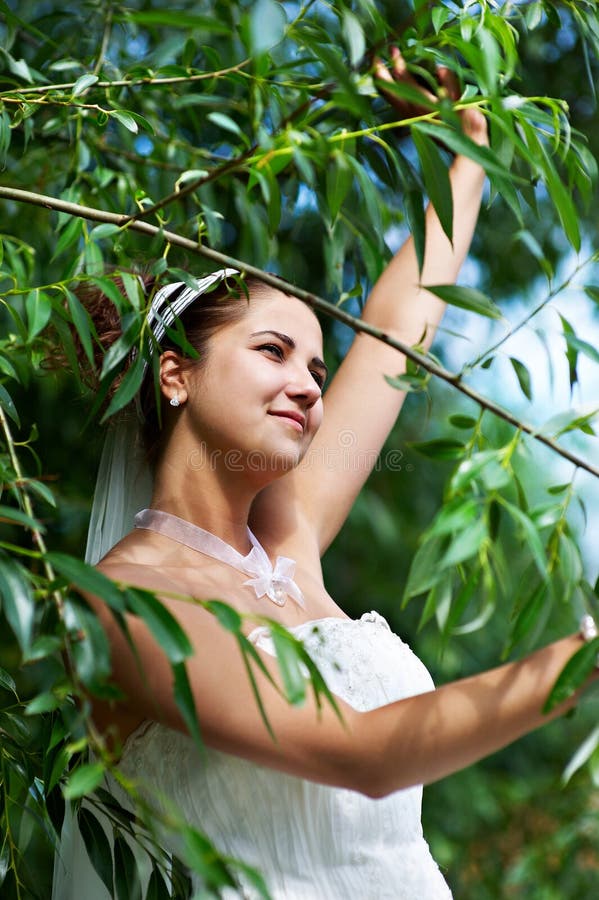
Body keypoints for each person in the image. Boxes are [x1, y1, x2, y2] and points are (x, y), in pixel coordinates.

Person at [52, 55, 597, 900]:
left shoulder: (288, 544)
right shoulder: (121, 599)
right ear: (175, 375)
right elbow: (362, 753)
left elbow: (394, 328)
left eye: (315, 361)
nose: (310, 383)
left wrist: (467, 146)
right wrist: (575, 665)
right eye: (272, 352)